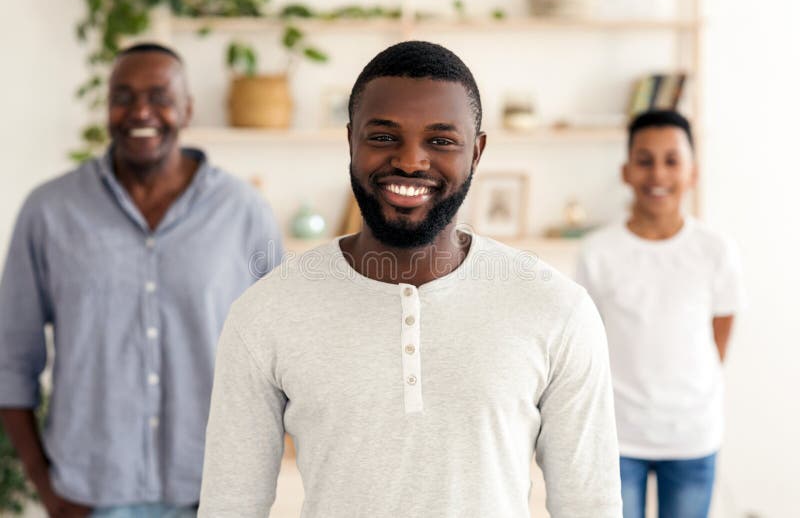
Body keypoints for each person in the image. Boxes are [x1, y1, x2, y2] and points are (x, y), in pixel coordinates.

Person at [199, 41, 622, 517]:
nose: (411, 161)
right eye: (383, 137)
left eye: (441, 140)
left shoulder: (557, 309)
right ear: (350, 141)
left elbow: (591, 504)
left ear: (477, 152)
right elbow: (229, 503)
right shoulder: (265, 312)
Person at [0, 43, 283, 517]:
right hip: (87, 496)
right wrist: (47, 491)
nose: (141, 112)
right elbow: (10, 360)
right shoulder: (49, 211)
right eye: (124, 96)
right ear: (107, 107)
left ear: (188, 108)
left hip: (212, 493)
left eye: (159, 96)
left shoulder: (244, 212)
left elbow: (282, 359)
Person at [576, 110, 746, 518]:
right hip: (616, 437)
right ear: (626, 171)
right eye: (645, 160)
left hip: (691, 436)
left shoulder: (715, 251)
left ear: (692, 172)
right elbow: (586, 341)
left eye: (672, 160)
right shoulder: (598, 251)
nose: (658, 174)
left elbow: (718, 337)